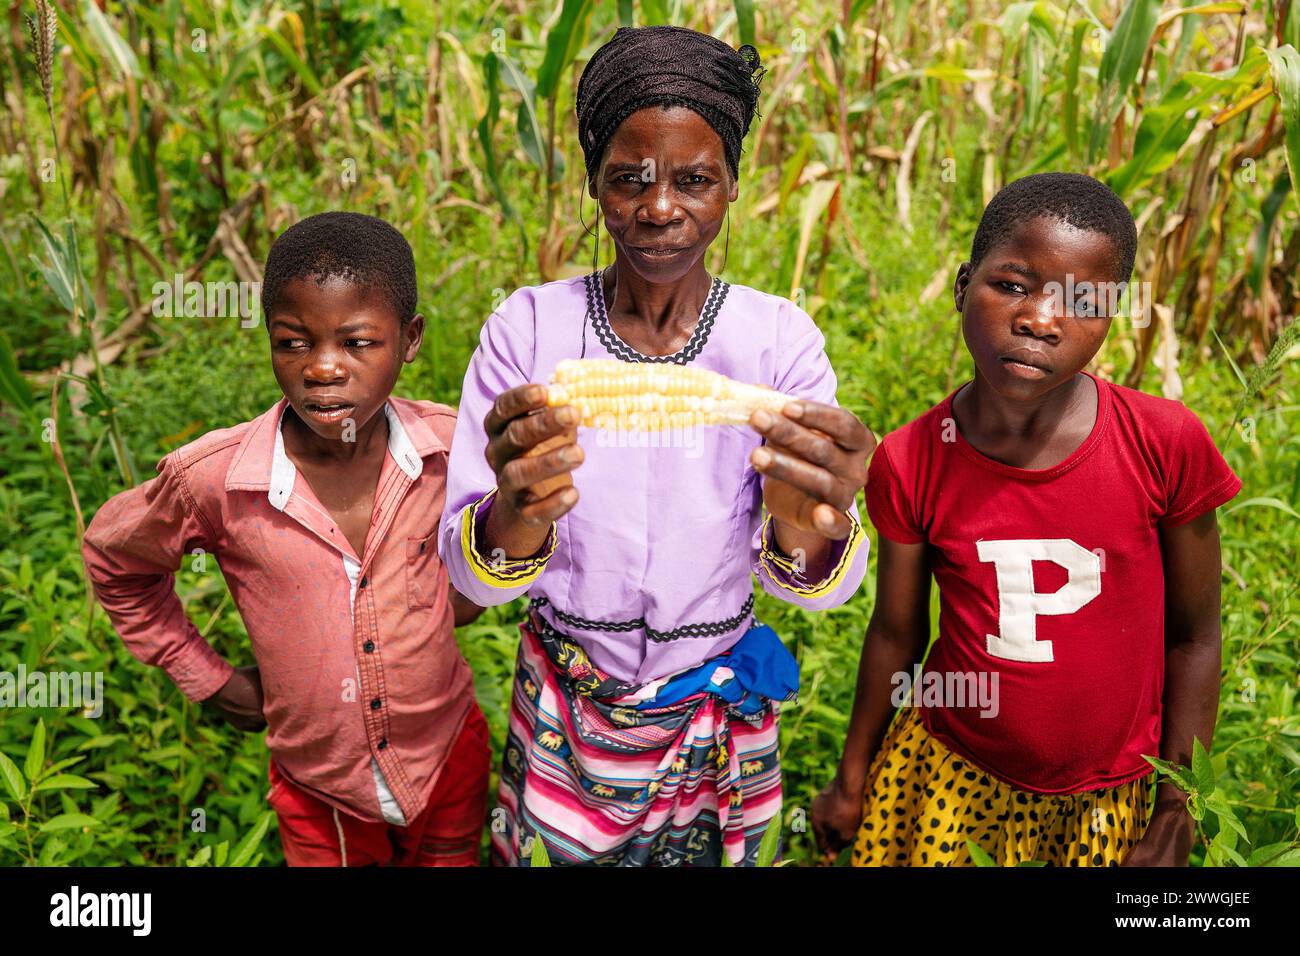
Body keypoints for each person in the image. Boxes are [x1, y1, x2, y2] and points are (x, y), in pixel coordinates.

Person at [439, 25, 875, 866]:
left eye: (694, 180)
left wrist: (806, 518)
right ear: (596, 185)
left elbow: (824, 590)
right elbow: (469, 581)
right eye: (628, 178)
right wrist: (518, 513)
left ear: (733, 186)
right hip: (568, 703)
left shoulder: (778, 342)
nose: (660, 206)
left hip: (713, 715)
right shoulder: (530, 329)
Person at [812, 172, 1242, 866]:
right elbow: (897, 632)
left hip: (1111, 799)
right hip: (950, 775)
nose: (1040, 319)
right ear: (961, 287)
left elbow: (1195, 638)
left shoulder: (1165, 442)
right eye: (1011, 285)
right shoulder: (912, 458)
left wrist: (1178, 806)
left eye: (1081, 300)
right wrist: (851, 777)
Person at [82, 212, 490, 866]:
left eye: (357, 343)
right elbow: (115, 561)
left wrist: (455, 597)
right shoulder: (213, 480)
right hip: (321, 787)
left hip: (446, 760)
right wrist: (208, 678)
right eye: (294, 342)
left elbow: (497, 555)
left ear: (409, 339)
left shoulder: (453, 451)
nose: (323, 369)